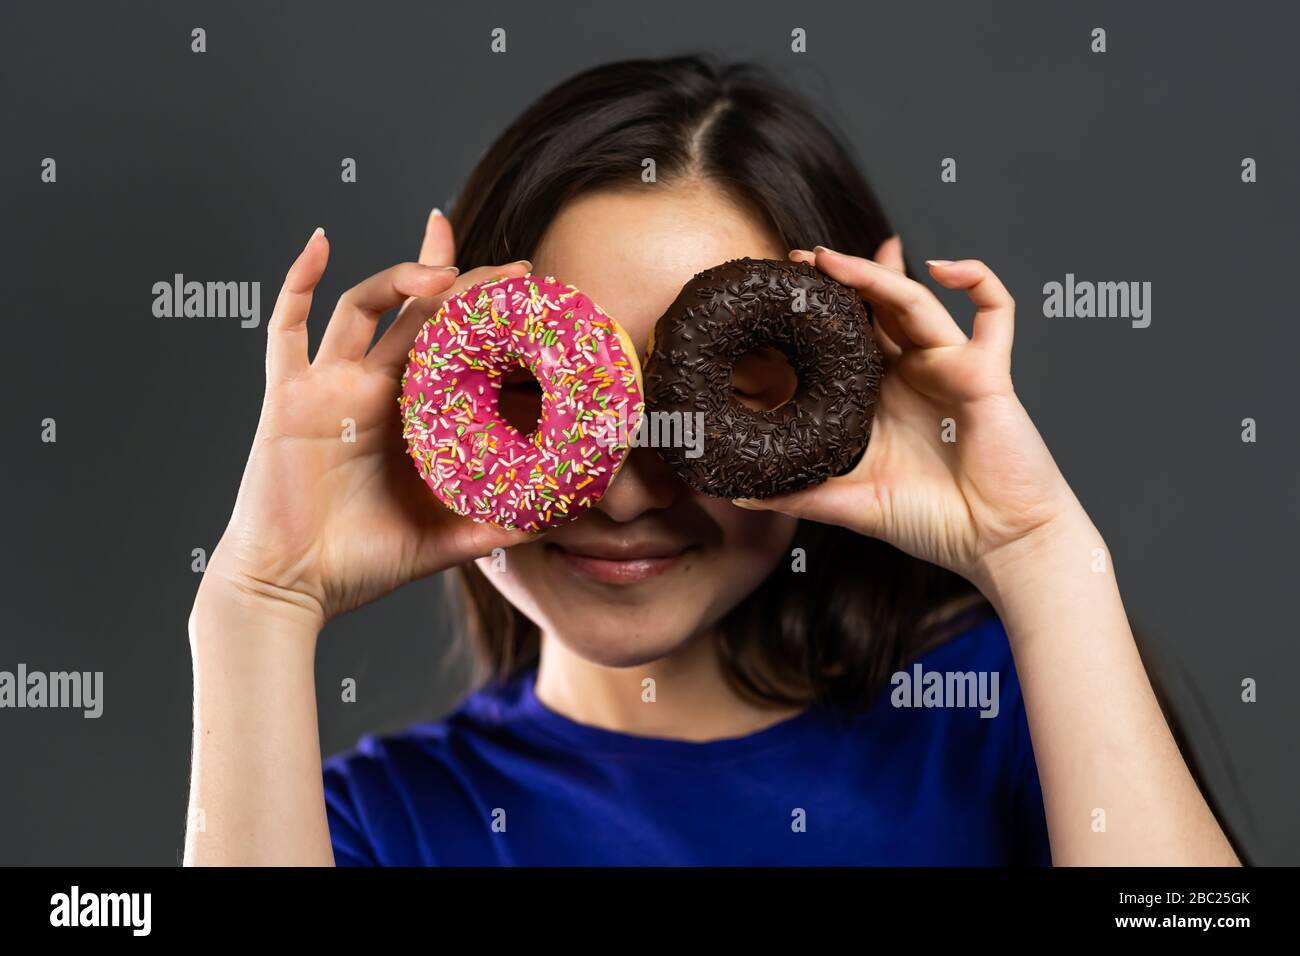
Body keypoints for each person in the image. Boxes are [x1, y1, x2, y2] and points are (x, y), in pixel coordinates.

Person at [183, 57, 1239, 866]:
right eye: (550, 393)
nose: (632, 487)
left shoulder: (987, 717)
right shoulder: (373, 822)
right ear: (437, 385)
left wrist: (1040, 553)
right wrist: (257, 604)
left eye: (725, 390)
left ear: (849, 384)